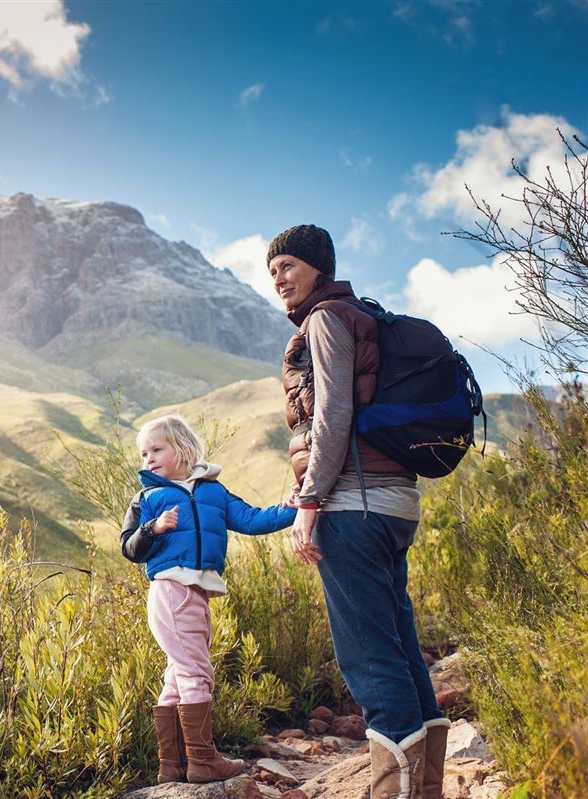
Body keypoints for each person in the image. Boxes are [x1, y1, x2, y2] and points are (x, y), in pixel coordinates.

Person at [267, 224, 449, 799]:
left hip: (354, 505)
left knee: (369, 656)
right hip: (393, 505)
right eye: (272, 271)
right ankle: (425, 789)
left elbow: (333, 414)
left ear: (318, 268)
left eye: (288, 266)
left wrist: (310, 500)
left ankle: (396, 791)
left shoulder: (327, 319)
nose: (278, 278)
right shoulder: (360, 316)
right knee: (399, 648)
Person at [120, 414, 295, 784]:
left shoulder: (214, 491)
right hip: (171, 591)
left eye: (156, 449)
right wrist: (154, 528)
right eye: (143, 454)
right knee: (197, 673)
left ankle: (172, 765)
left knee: (178, 675)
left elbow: (252, 520)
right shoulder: (147, 498)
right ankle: (203, 761)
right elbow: (130, 548)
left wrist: (293, 507)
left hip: (195, 594)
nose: (148, 459)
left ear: (183, 448)